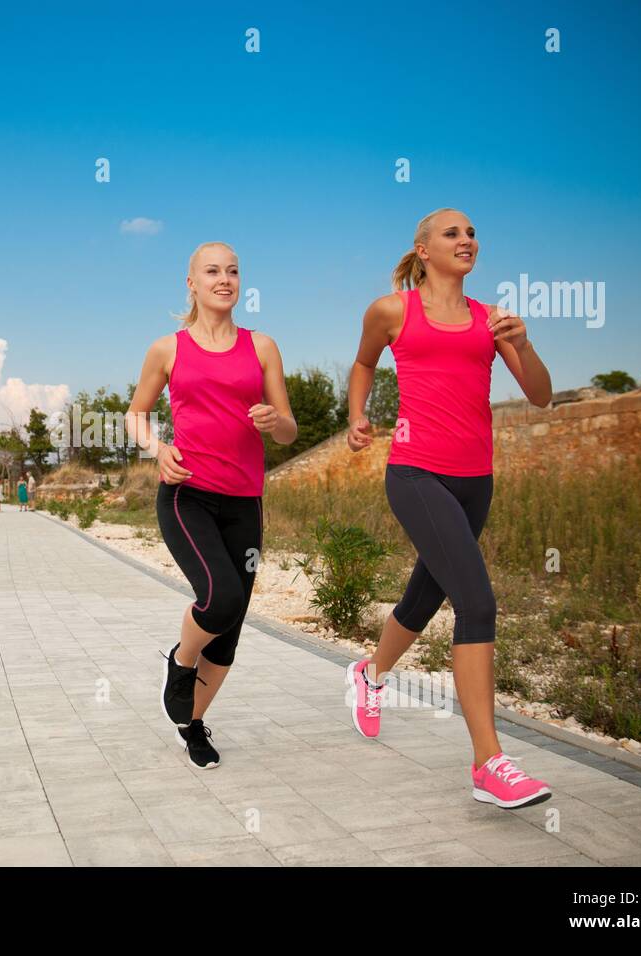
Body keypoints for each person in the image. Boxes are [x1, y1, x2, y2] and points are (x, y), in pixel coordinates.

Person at [345, 207, 555, 809]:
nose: (466, 240)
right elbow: (363, 363)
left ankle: (369, 673)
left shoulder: (493, 321)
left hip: (475, 480)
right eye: (452, 233)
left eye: (472, 233)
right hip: (414, 472)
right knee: (477, 601)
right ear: (424, 248)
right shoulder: (392, 311)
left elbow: (540, 396)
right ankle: (489, 762)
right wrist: (358, 415)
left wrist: (524, 342)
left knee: (425, 595)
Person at [127, 241, 297, 770]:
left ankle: (191, 723)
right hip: (187, 494)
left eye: (233, 271)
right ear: (191, 283)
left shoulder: (263, 347)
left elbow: (289, 430)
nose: (224, 279)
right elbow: (136, 415)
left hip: (244, 501)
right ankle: (179, 661)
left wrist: (275, 422)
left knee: (232, 625)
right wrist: (159, 448)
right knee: (219, 599)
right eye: (212, 271)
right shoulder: (167, 349)